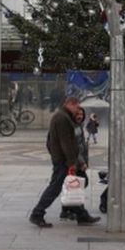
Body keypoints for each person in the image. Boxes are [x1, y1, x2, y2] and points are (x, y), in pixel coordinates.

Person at [30, 96, 101, 227]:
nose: (78, 110)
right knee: (55, 188)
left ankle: (81, 215)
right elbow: (66, 143)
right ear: (70, 104)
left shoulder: (64, 116)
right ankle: (37, 213)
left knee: (74, 186)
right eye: (77, 107)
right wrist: (72, 163)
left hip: (64, 159)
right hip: (63, 161)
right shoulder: (62, 118)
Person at [60, 106, 90, 221]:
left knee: (75, 184)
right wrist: (82, 163)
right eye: (77, 114)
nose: (79, 116)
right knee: (77, 184)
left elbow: (81, 145)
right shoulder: (72, 127)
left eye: (81, 114)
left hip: (79, 160)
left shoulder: (79, 126)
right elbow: (73, 147)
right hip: (74, 161)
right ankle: (74, 211)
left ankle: (68, 210)